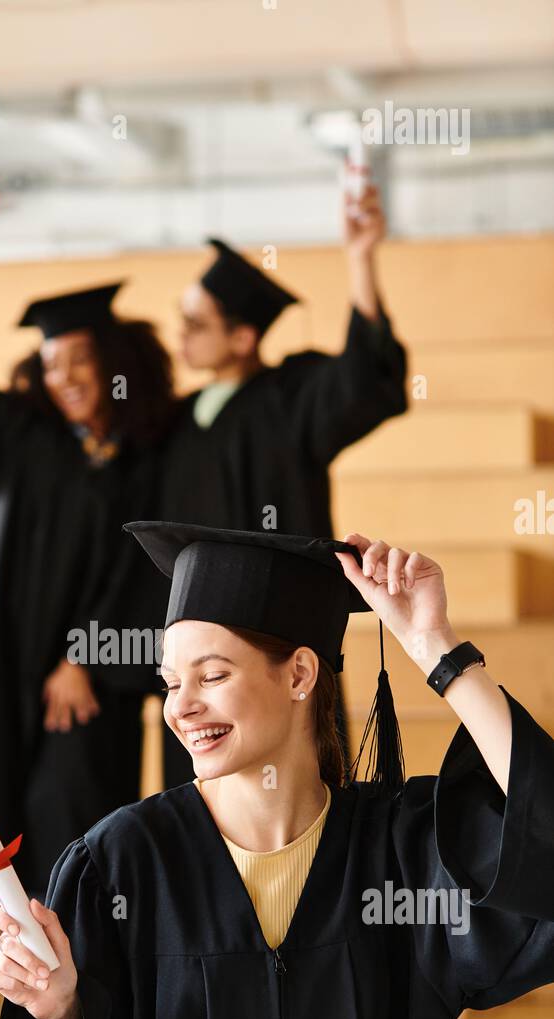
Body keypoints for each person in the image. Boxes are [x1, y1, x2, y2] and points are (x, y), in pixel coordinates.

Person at [0, 521, 554, 1019]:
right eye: (168, 683)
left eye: (211, 676)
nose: (180, 708)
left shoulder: (403, 857)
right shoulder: (119, 868)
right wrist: (56, 1017)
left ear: (299, 676)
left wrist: (440, 652)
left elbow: (546, 844)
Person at [0, 207, 174, 898]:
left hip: (89, 690)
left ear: (115, 364)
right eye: (52, 364)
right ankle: (29, 991)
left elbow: (151, 576)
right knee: (4, 835)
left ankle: (89, 991)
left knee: (77, 837)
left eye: (81, 360)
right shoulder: (24, 440)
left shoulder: (153, 456)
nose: (67, 376)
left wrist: (87, 656)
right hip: (11, 676)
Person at [157, 181, 407, 785]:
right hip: (199, 644)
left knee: (304, 783)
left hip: (279, 634)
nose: (181, 335)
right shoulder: (175, 422)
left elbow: (361, 380)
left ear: (243, 338)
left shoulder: (290, 397)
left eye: (196, 322)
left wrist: (359, 259)